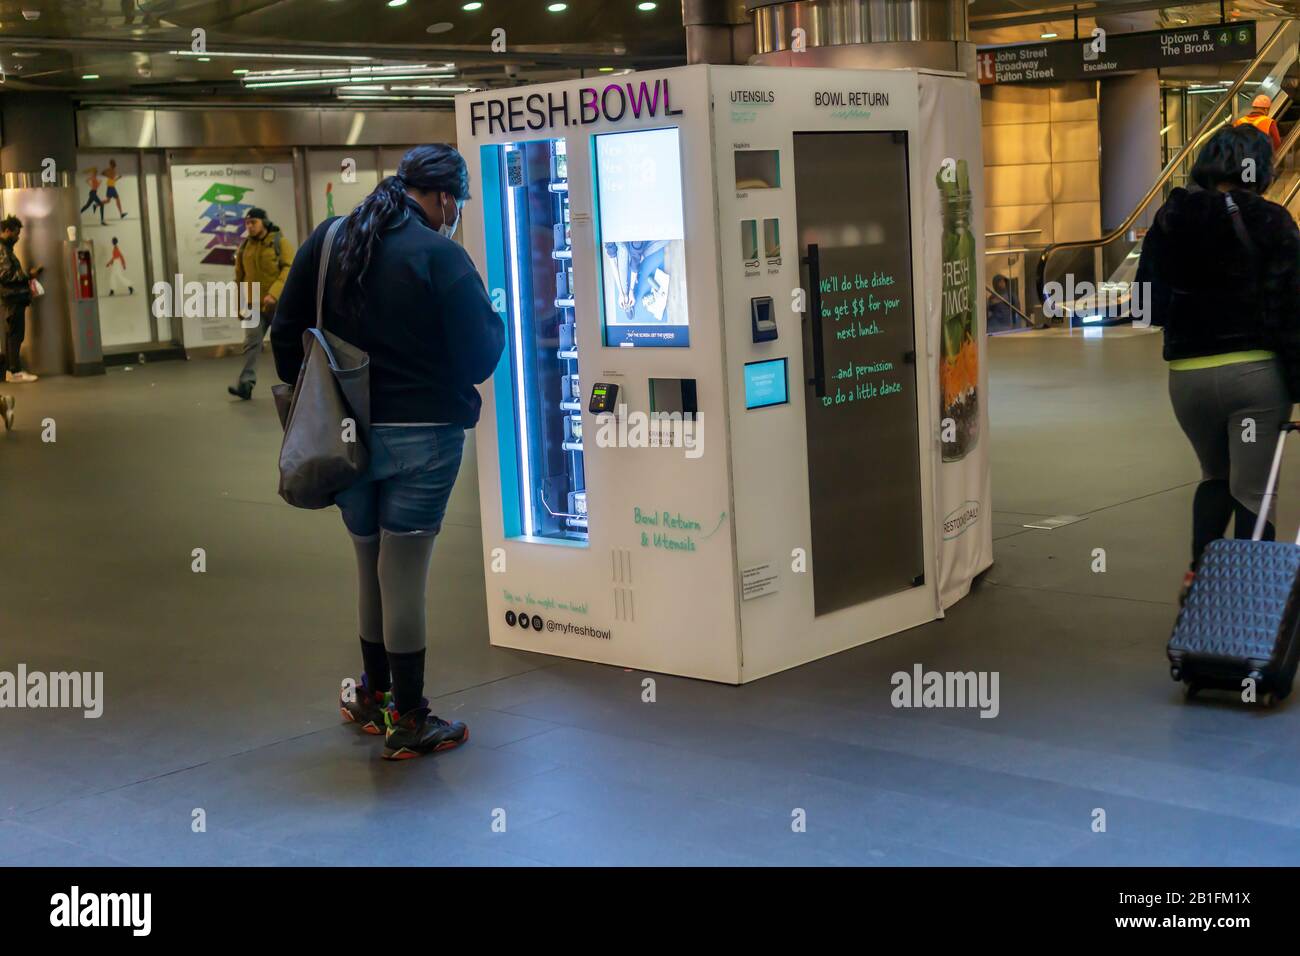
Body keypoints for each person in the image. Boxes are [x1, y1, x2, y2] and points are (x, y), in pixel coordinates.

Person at [271, 144, 504, 760]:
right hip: (423, 437)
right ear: (446, 199)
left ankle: (372, 696)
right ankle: (410, 718)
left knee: (368, 563)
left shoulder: (329, 241)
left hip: (346, 434)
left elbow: (284, 330)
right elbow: (481, 356)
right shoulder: (440, 256)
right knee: (403, 575)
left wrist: (317, 398)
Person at [1136, 126, 1300, 601]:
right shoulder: (1271, 219)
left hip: (1188, 380)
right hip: (1255, 377)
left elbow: (1149, 307)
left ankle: (1200, 579)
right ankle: (1251, 603)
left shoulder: (1172, 217)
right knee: (1253, 492)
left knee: (1215, 478)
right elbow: (1290, 309)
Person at [228, 207, 294, 400]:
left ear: (263, 222)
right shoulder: (244, 247)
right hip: (253, 305)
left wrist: (274, 294)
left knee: (286, 345)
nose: (249, 226)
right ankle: (245, 384)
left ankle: (296, 383)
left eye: (253, 222)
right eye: (247, 223)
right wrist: (239, 304)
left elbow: (289, 269)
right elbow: (239, 277)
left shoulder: (279, 242)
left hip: (279, 305)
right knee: (250, 344)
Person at [0, 216, 43, 384]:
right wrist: (28, 276)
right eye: (16, 234)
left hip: (14, 299)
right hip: (11, 300)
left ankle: (13, 371)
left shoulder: (7, 249)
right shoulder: (2, 250)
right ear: (7, 231)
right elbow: (4, 275)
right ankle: (14, 372)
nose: (17, 238)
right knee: (14, 336)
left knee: (15, 335)